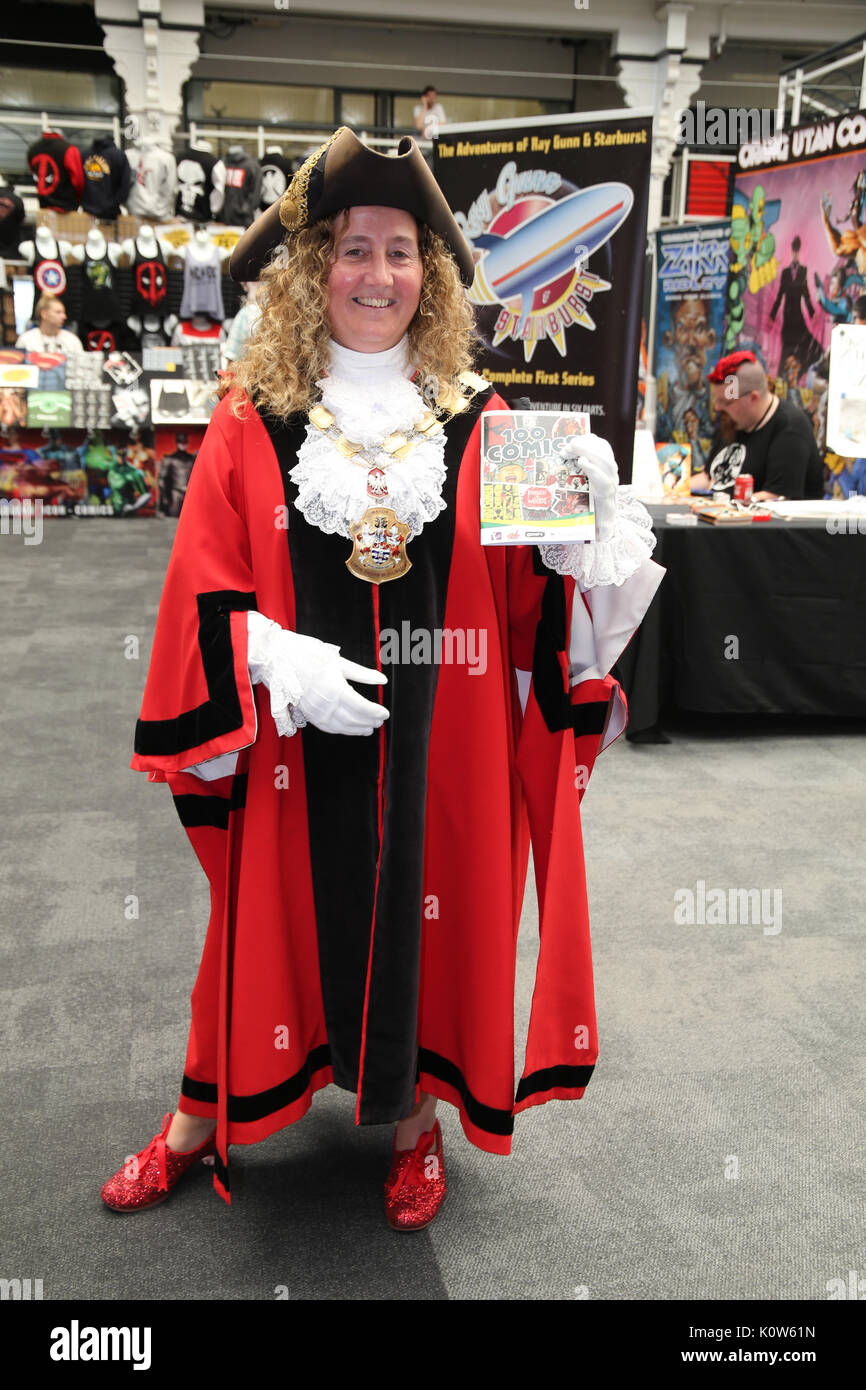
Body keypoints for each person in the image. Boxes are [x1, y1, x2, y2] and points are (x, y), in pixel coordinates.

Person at [99, 127, 664, 1232]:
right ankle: (195, 1117)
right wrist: (273, 654)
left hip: (436, 754)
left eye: (401, 251)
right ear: (316, 270)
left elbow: (547, 622)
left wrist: (581, 539)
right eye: (352, 249)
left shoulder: (482, 421)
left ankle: (415, 1127)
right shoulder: (248, 420)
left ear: (430, 274)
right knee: (254, 920)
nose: (377, 274)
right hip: (290, 757)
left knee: (430, 919)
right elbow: (197, 594)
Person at [692, 349, 823, 501]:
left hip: (755, 521)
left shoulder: (790, 428)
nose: (718, 408)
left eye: (726, 402)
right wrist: (670, 490)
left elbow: (774, 498)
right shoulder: (733, 420)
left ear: (753, 398)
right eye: (717, 400)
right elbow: (708, 477)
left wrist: (721, 508)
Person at [16, 293, 83, 355]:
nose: (64, 317)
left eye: (63, 313)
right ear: (44, 314)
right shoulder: (26, 339)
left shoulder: (72, 340)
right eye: (58, 312)